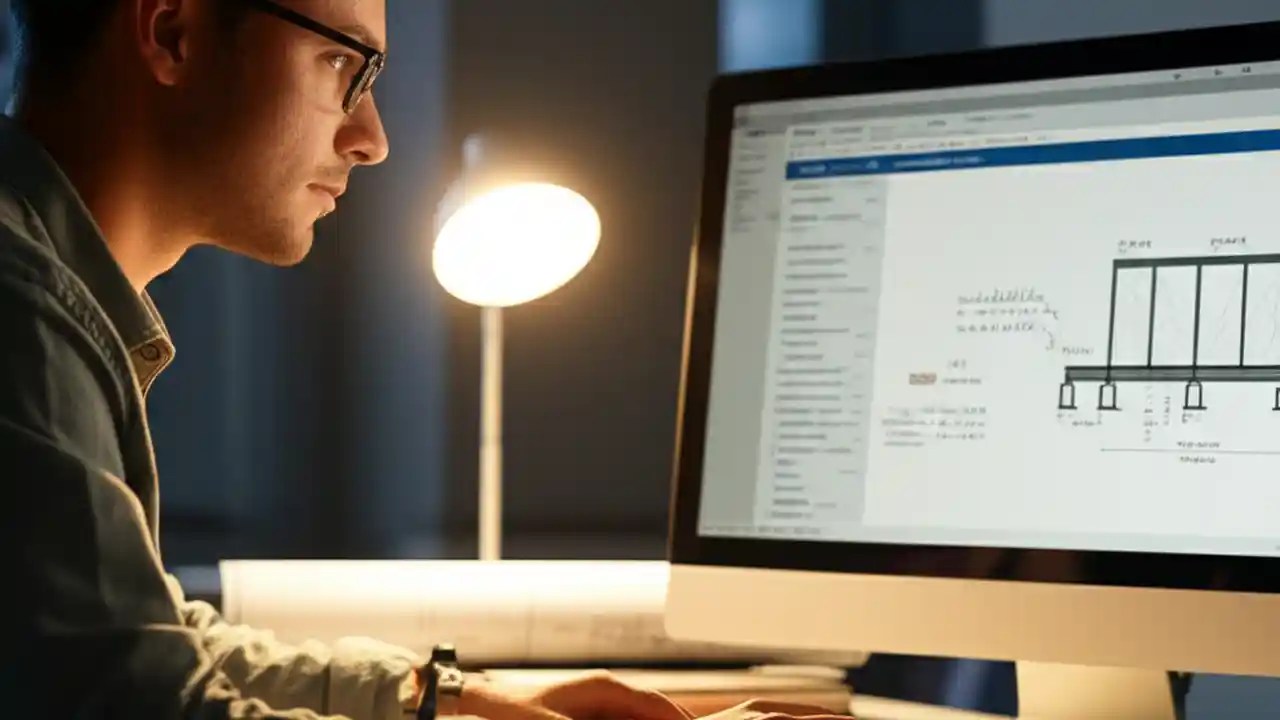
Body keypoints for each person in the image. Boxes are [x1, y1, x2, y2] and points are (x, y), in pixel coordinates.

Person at [0, 1, 855, 719]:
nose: (371, 138)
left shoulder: (51, 290)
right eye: (342, 63)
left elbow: (155, 646)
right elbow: (138, 703)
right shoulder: (22, 308)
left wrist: (444, 698)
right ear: (173, 33)